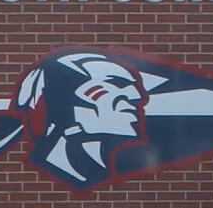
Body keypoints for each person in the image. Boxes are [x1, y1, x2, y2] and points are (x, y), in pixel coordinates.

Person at [13, 50, 146, 188]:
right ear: (65, 98)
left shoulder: (91, 171)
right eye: (115, 83)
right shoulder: (66, 170)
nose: (136, 96)